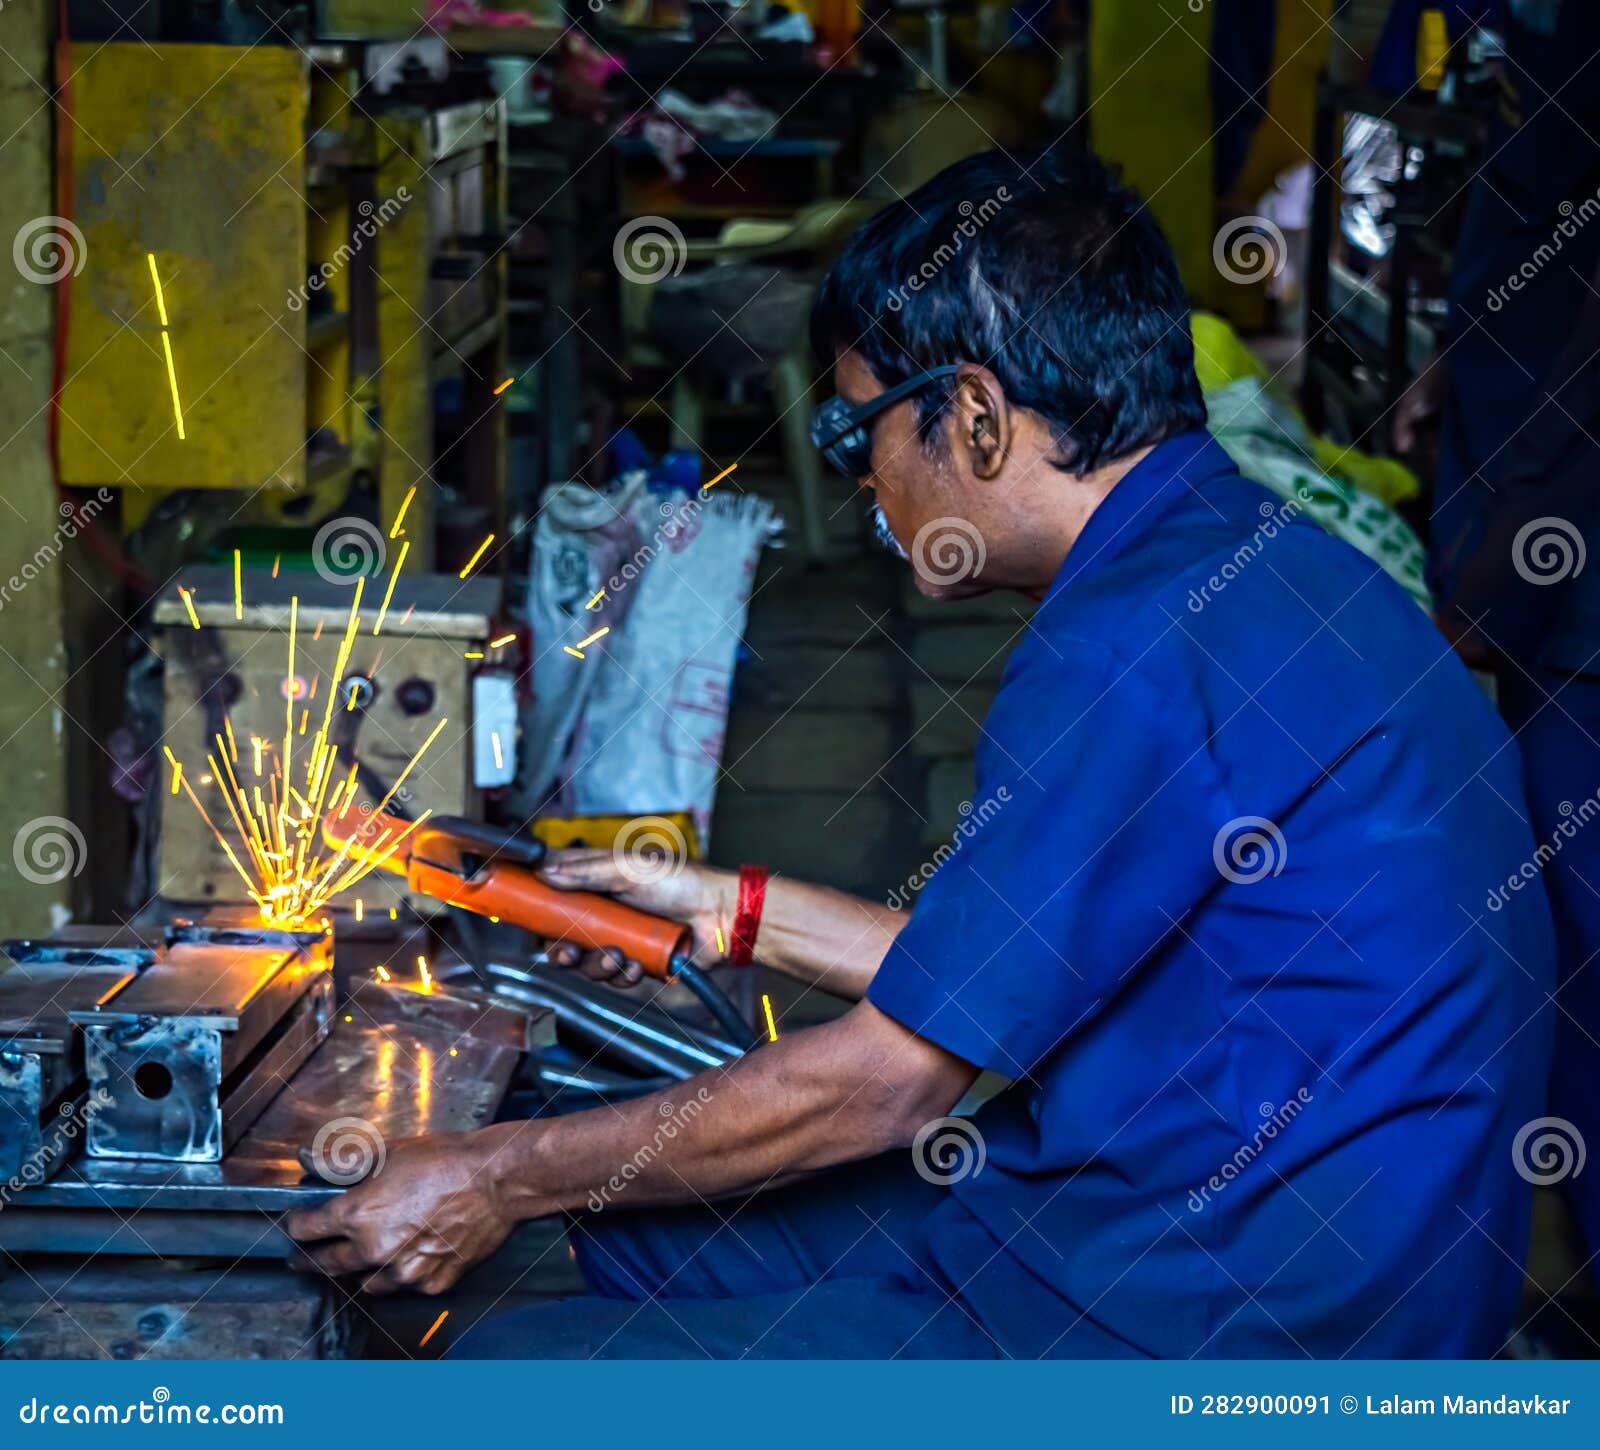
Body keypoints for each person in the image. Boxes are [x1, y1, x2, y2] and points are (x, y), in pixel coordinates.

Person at [287, 147, 1553, 1358]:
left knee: (512, 1369)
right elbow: (1009, 965)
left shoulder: (1131, 646)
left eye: (860, 440)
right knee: (632, 1233)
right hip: (1271, 1225)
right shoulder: (1232, 562)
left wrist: (498, 1173)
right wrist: (726, 908)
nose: (862, 490)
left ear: (977, 416)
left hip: (1223, 1314)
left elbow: (887, 1084)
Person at [1393, 0, 1600, 1262]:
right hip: (1554, 606)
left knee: (1579, 962)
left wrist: (1479, 579)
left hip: (1573, 610)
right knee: (1566, 961)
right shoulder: (1543, 104)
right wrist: (1451, 368)